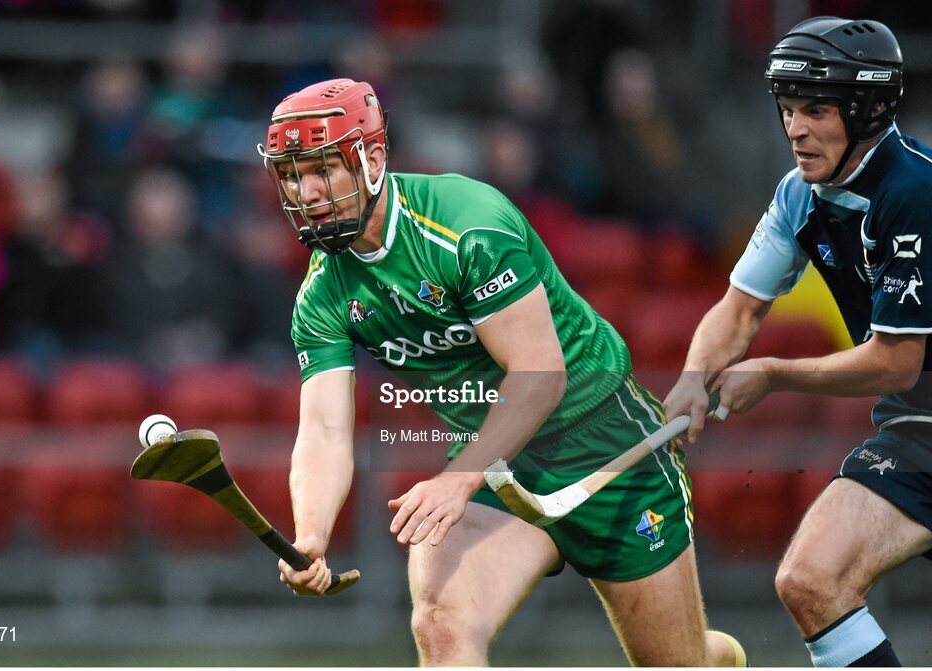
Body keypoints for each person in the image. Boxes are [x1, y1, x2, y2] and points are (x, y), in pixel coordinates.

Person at [259, 78, 746, 666]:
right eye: (291, 175)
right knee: (442, 623)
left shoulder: (466, 225)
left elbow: (540, 375)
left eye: (322, 169)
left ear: (374, 159)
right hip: (496, 468)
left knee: (679, 665)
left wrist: (460, 477)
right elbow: (325, 431)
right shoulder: (321, 295)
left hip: (606, 445)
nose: (305, 192)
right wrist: (310, 533)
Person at [664, 17, 931, 667]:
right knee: (810, 580)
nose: (794, 129)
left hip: (911, 405)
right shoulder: (798, 196)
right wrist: (695, 374)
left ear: (868, 110)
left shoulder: (915, 192)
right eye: (786, 109)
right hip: (919, 433)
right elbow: (739, 309)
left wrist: (774, 374)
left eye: (814, 109)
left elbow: (898, 361)